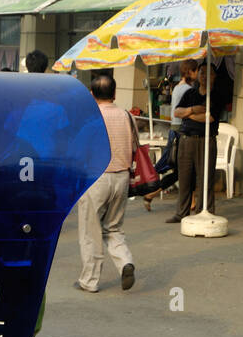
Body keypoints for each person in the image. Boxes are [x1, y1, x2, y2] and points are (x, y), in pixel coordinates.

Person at [74, 73, 136, 293]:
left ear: (92, 95)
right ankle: (125, 261)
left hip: (97, 179)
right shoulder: (127, 116)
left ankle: (89, 280)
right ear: (115, 93)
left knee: (90, 231)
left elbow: (79, 151)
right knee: (113, 227)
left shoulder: (90, 119)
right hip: (122, 177)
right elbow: (135, 147)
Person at [142, 59, 197, 212]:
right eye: (197, 71)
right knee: (184, 169)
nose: (198, 74)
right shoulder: (187, 89)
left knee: (181, 171)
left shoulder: (178, 87)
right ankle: (152, 194)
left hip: (176, 131)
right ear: (190, 72)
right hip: (181, 132)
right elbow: (183, 112)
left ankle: (152, 195)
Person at [168, 65, 218, 222]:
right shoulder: (190, 93)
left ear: (214, 77)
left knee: (205, 179)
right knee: (184, 178)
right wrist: (193, 110)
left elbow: (210, 118)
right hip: (186, 139)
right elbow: (177, 112)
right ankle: (181, 213)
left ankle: (205, 211)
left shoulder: (216, 95)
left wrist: (187, 115)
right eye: (202, 73)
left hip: (205, 139)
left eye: (208, 74)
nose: (204, 76)